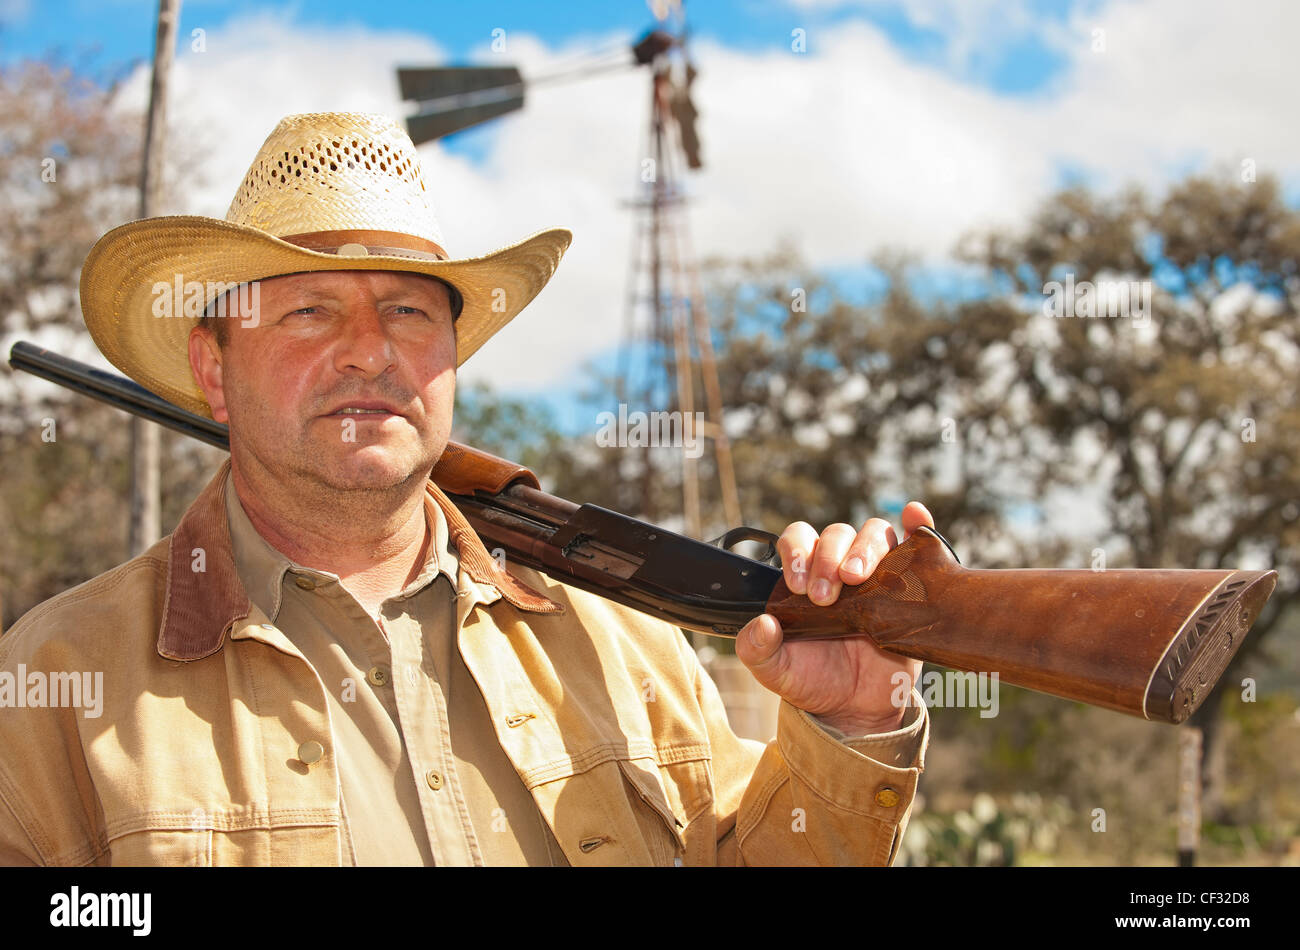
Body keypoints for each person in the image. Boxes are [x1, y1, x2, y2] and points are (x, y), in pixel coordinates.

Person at [0, 112, 934, 866]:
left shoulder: (628, 644)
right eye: (309, 310)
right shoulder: (53, 684)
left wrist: (852, 726)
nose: (370, 351)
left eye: (408, 310)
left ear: (451, 360)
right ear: (215, 370)